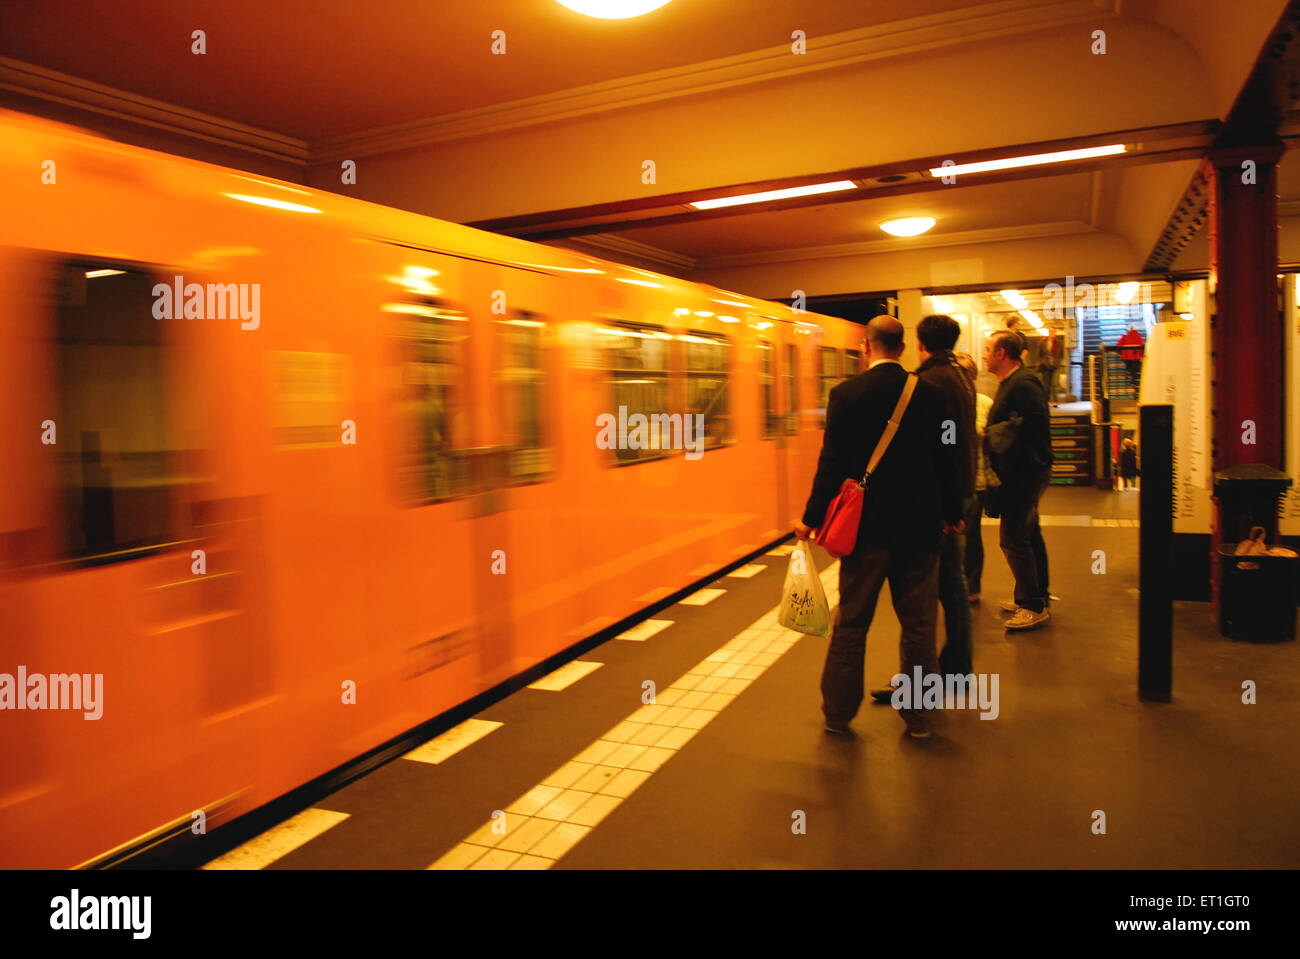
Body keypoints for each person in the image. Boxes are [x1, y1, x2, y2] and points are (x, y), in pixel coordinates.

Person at [795, 315, 961, 739]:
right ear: (902, 348)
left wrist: (810, 519)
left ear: (866, 347)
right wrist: (953, 510)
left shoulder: (845, 395)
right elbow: (948, 456)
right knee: (919, 628)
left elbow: (830, 464)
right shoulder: (931, 395)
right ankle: (920, 720)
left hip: (864, 532)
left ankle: (837, 714)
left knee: (851, 623)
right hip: (920, 531)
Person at [867, 315, 973, 707]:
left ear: (919, 342)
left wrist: (944, 505)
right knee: (948, 590)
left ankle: (929, 682)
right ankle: (949, 672)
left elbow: (942, 447)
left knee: (928, 597)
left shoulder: (934, 382)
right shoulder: (958, 376)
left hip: (944, 501)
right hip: (957, 493)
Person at [983, 330, 1054, 631]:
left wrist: (994, 436)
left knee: (1012, 538)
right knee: (1029, 535)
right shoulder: (1011, 382)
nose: (984, 354)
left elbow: (1035, 426)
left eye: (988, 349)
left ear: (1001, 354)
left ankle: (1032, 606)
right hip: (1020, 472)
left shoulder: (1023, 383)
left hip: (1023, 473)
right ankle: (1035, 595)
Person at [954, 351, 994, 602]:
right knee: (952, 536)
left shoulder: (984, 403)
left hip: (975, 479)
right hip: (951, 479)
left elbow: (987, 437)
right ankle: (956, 583)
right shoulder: (946, 399)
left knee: (971, 535)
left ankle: (972, 586)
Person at [1037, 328, 1065, 406]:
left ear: (1055, 333)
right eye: (1050, 332)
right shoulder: (1043, 343)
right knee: (1046, 385)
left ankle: (1055, 401)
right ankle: (1047, 401)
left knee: (1055, 383)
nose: (1051, 333)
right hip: (1045, 366)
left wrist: (1058, 362)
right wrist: (1043, 362)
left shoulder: (1059, 343)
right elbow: (1039, 354)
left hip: (1055, 366)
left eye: (1053, 332)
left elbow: (1061, 354)